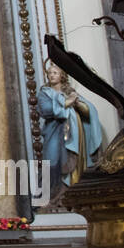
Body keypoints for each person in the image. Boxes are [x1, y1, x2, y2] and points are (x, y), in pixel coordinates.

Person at [38, 62, 101, 201]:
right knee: (53, 160)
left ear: (62, 76)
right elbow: (46, 110)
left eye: (55, 73)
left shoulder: (69, 92)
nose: (52, 75)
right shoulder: (44, 93)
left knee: (74, 159)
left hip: (74, 132)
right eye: (50, 73)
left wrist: (77, 102)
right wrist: (68, 102)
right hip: (54, 131)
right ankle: (53, 196)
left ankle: (74, 192)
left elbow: (88, 110)